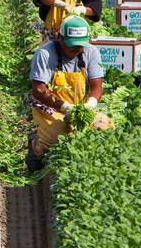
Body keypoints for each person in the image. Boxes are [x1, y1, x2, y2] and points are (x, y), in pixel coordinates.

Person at [26, 15, 111, 168]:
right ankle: (36, 143)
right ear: (60, 38)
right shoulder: (45, 54)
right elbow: (38, 90)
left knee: (104, 128)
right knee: (58, 139)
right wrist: (65, 107)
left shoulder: (91, 52)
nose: (76, 49)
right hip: (50, 108)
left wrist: (90, 104)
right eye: (72, 44)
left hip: (80, 107)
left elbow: (97, 86)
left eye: (80, 45)